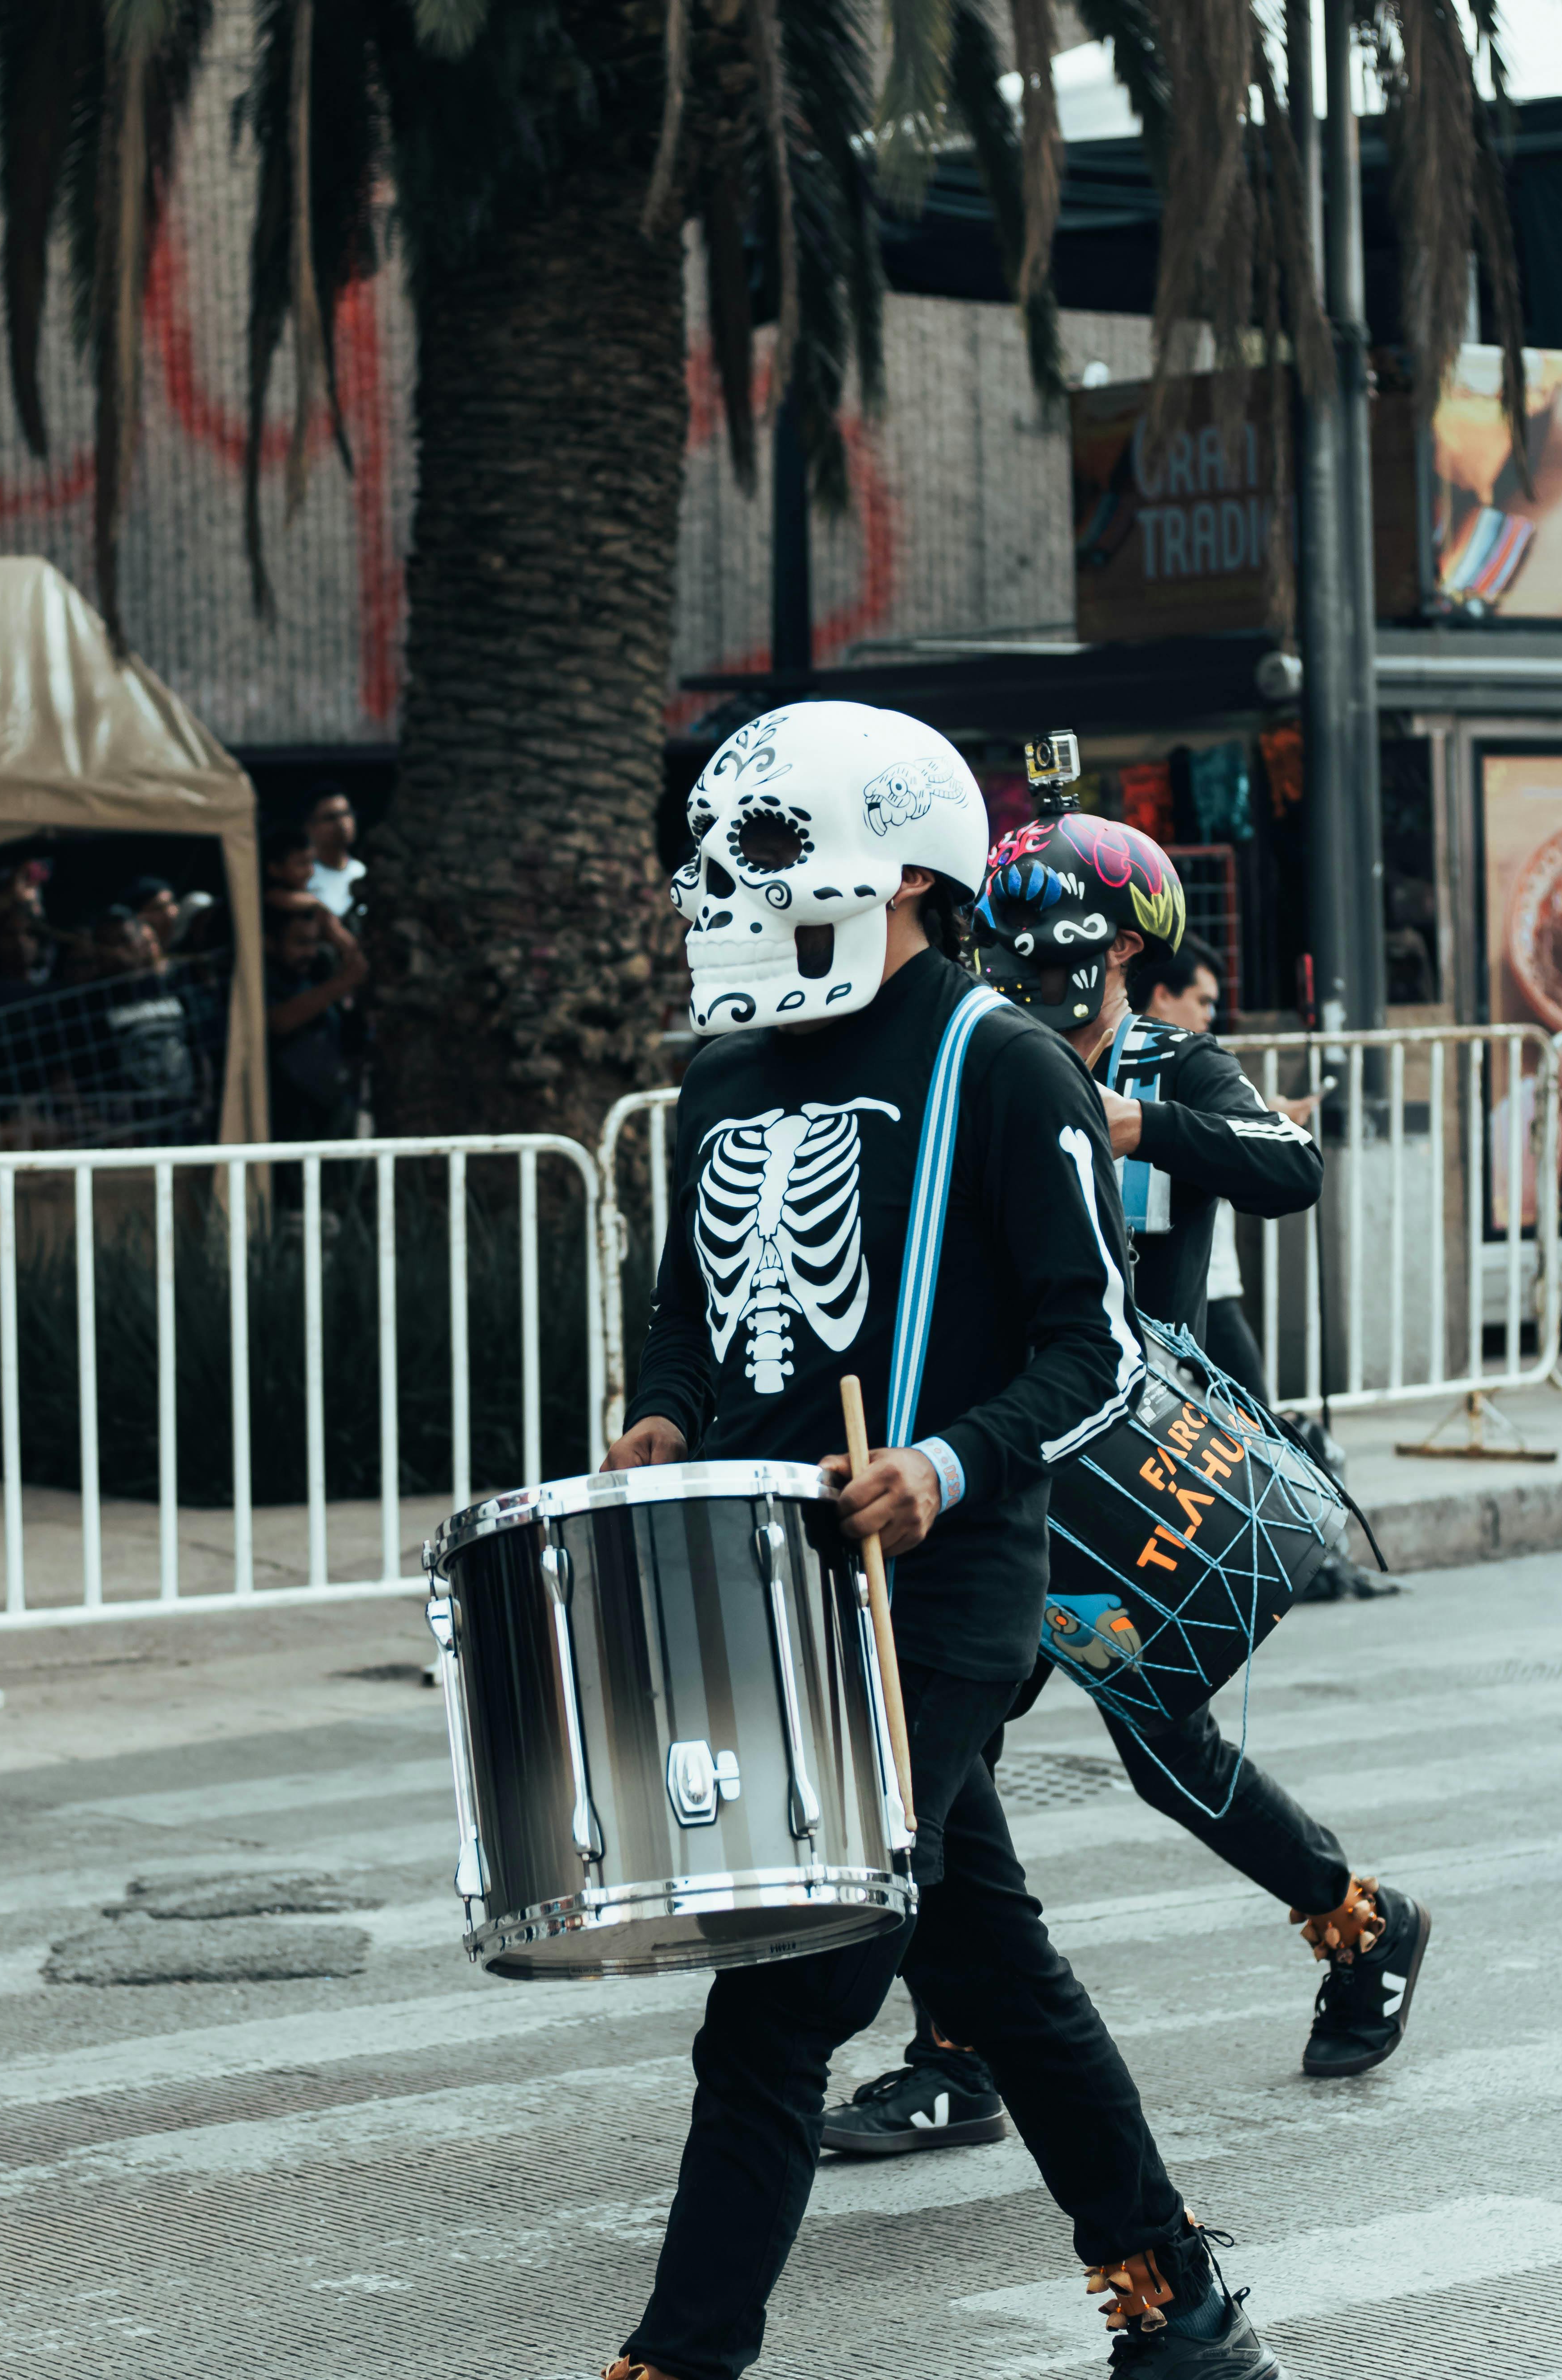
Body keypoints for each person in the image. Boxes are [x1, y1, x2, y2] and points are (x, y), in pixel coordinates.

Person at [601, 703, 1283, 2380]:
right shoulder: (725, 1071)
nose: (721, 885)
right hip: (774, 1594)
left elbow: (1090, 1346)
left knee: (775, 2010)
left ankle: (675, 2358)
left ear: (899, 862)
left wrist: (943, 1464)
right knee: (996, 1958)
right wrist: (660, 1419)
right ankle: (1175, 2302)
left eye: (758, 849)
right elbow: (690, 1319)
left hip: (945, 1593)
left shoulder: (998, 1057)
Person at [826, 816, 1429, 2166]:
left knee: (1165, 1751)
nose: (1053, 993)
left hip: (1142, 1469)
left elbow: (1292, 1167)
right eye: (1025, 966)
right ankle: (954, 2053)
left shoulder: (1171, 1060)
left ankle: (1360, 1917)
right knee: (950, 1745)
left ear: (1122, 960)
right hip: (1007, 1459)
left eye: (1077, 968)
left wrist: (1140, 1121)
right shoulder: (979, 1066)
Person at [264, 902, 369, 1146]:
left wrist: (335, 930)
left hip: (331, 1105)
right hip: (287, 1113)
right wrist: (342, 983)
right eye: (300, 943)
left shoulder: (317, 971)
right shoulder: (268, 980)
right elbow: (279, 1021)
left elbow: (359, 964)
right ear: (270, 942)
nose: (310, 953)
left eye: (314, 942)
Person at [304, 790, 366, 921]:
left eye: (346, 814)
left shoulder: (362, 871)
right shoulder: (303, 875)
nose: (342, 823)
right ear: (310, 827)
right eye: (330, 818)